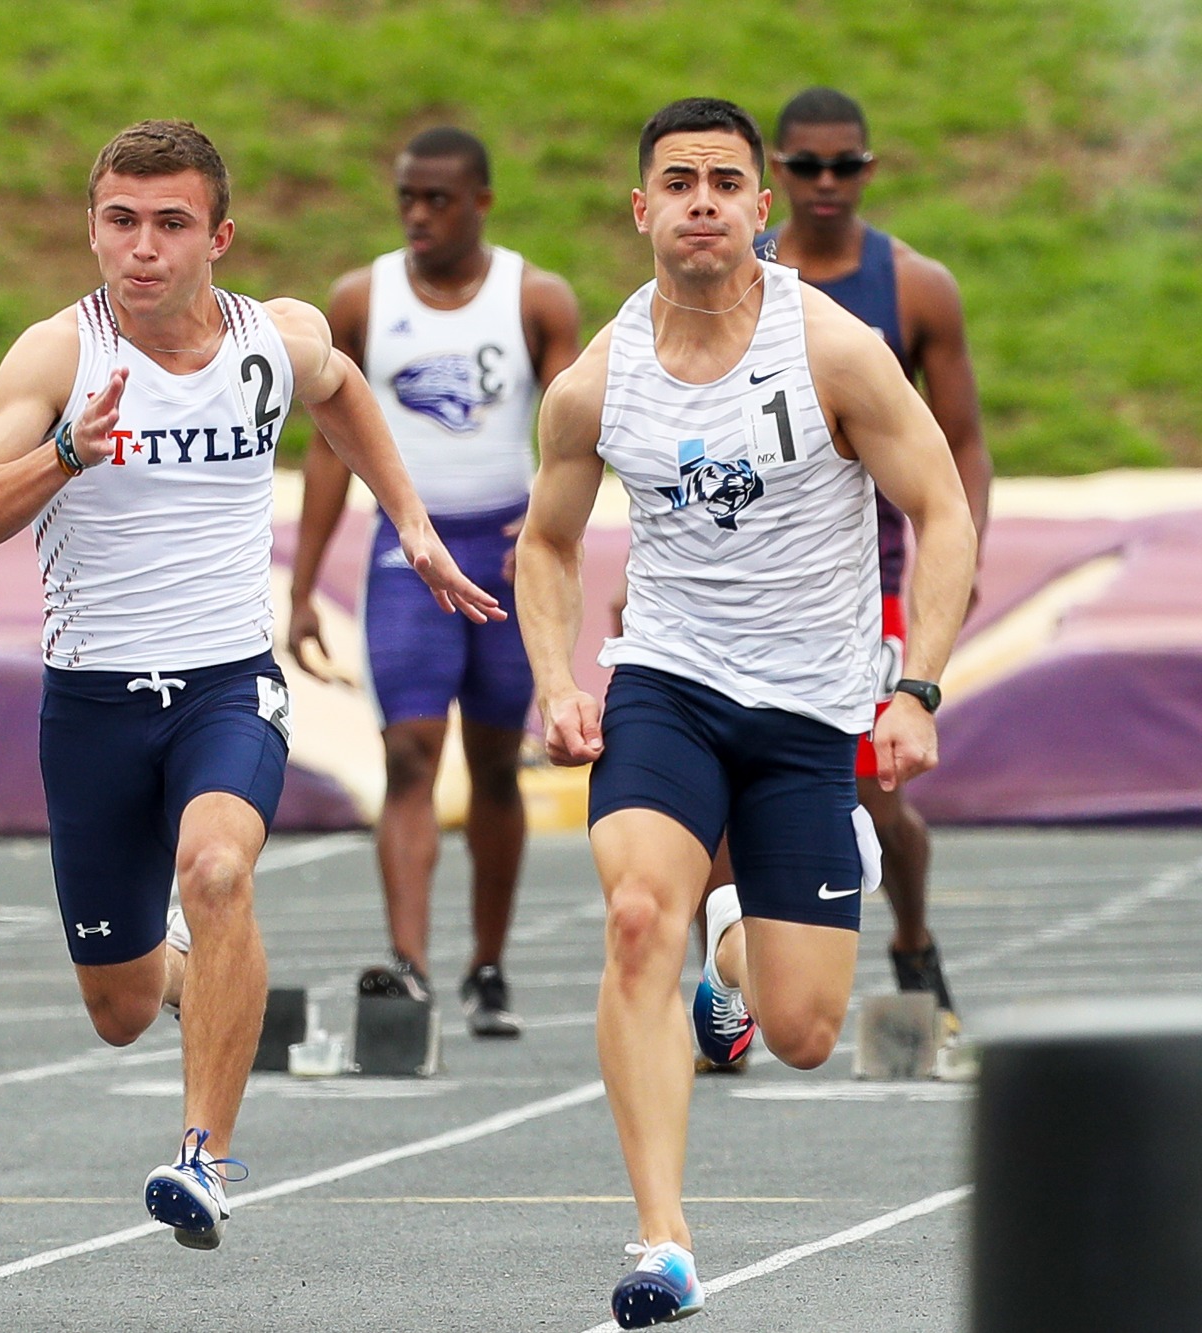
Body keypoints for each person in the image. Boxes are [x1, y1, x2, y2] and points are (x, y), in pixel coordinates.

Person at [0, 120, 500, 1250]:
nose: (141, 248)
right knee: (118, 1007)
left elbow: (342, 392)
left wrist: (411, 522)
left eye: (170, 224)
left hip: (225, 687)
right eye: (119, 222)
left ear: (219, 238)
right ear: (92, 228)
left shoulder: (273, 337)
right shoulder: (55, 358)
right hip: (92, 701)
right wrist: (65, 454)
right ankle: (201, 974)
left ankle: (203, 1156)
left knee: (217, 868)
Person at [514, 98, 974, 1326]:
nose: (702, 202)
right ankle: (661, 1240)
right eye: (678, 182)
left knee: (803, 1028)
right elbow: (545, 542)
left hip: (809, 709)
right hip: (665, 683)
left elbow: (940, 508)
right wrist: (556, 679)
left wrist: (914, 687)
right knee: (631, 917)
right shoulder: (597, 381)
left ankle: (735, 934)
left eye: (724, 181)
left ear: (760, 208)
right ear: (641, 209)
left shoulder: (832, 348)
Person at [288, 126, 579, 1036]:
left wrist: (550, 534)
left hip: (502, 550)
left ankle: (487, 965)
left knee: (494, 763)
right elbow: (331, 448)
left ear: (481, 202)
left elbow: (572, 431)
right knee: (410, 753)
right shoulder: (360, 299)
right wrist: (300, 588)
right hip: (407, 552)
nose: (419, 214)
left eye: (439, 200)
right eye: (407, 197)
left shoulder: (534, 297)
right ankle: (409, 967)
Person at [757, 86, 991, 1022]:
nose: (827, 182)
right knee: (722, 793)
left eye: (844, 165)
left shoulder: (916, 288)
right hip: (749, 577)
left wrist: (964, 557)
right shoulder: (735, 274)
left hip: (871, 581)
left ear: (869, 169)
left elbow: (963, 442)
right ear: (778, 171)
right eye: (808, 165)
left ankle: (912, 937)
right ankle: (724, 990)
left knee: (875, 794)